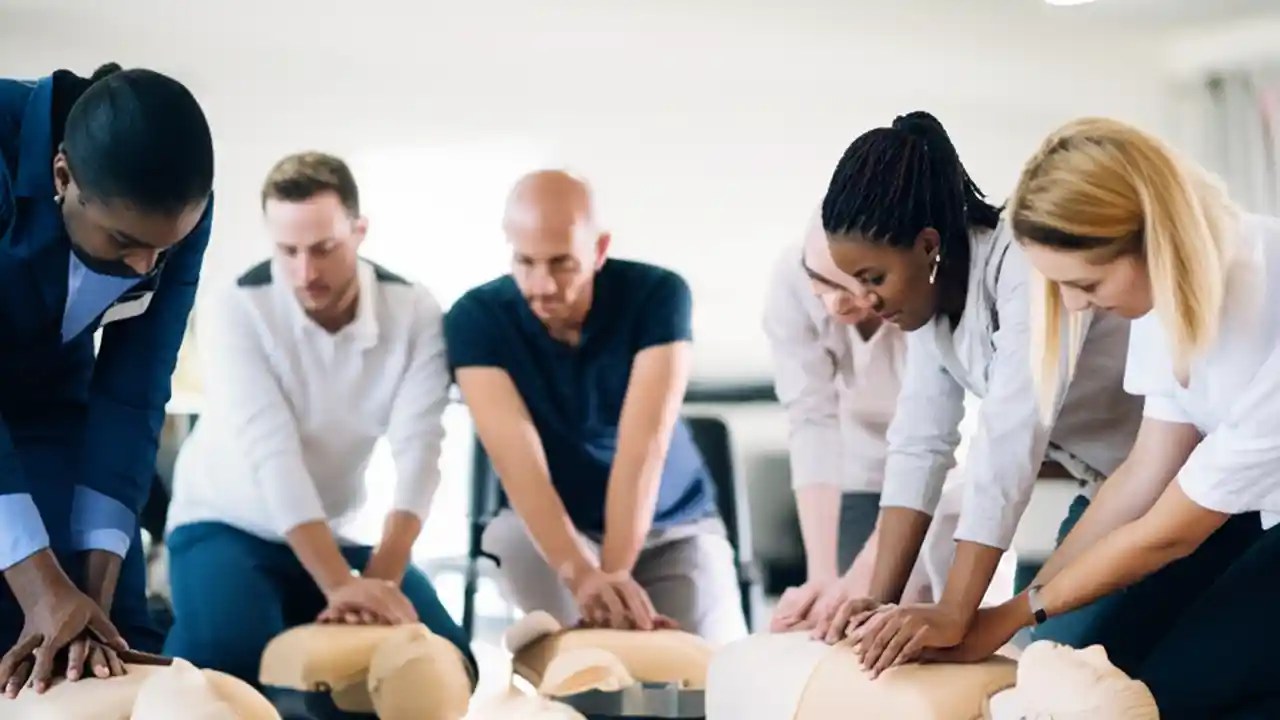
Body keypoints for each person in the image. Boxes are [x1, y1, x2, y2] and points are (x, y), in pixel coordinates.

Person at [927, 117, 1279, 720]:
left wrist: (1012, 614)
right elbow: (1144, 474)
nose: (1074, 304)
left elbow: (1169, 532)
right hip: (1246, 515)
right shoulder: (1167, 296)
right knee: (1086, 657)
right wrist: (1020, 619)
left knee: (1160, 694)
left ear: (1153, 239)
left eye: (1085, 282)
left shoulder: (1263, 291)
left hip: (1237, 524)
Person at [810, 111, 1144, 676]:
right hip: (1115, 495)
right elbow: (920, 444)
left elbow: (1010, 437)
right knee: (1057, 657)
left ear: (927, 246)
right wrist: (878, 603)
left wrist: (954, 611)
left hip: (1189, 480)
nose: (865, 301)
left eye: (873, 278)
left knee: (1085, 667)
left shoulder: (1026, 262)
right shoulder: (928, 304)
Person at [162, 153, 477, 687]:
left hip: (339, 531)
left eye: (324, 249)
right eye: (288, 251)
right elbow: (273, 455)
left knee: (445, 661)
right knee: (228, 663)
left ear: (359, 231)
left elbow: (420, 449)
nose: (306, 272)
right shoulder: (233, 307)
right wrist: (340, 587)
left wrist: (381, 581)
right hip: (227, 522)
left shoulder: (415, 310)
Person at [446, 169, 747, 644]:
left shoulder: (659, 296)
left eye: (562, 263)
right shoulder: (474, 318)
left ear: (599, 249)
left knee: (715, 668)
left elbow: (642, 447)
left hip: (673, 526)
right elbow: (516, 459)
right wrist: (582, 575)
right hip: (548, 532)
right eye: (525, 261)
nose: (542, 285)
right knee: (580, 662)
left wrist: (614, 574)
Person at [0, 64, 214, 697]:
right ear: (62, 175)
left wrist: (88, 607)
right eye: (123, 242)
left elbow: (134, 388)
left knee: (113, 640)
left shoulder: (173, 203)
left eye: (162, 250)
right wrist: (41, 586)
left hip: (52, 397)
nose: (146, 266)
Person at [765, 209, 962, 632]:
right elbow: (811, 419)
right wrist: (822, 576)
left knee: (937, 616)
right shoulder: (791, 279)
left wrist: (870, 569)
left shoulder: (927, 296)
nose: (835, 303)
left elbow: (931, 443)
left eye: (850, 286)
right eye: (822, 283)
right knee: (844, 619)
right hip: (855, 472)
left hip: (948, 474)